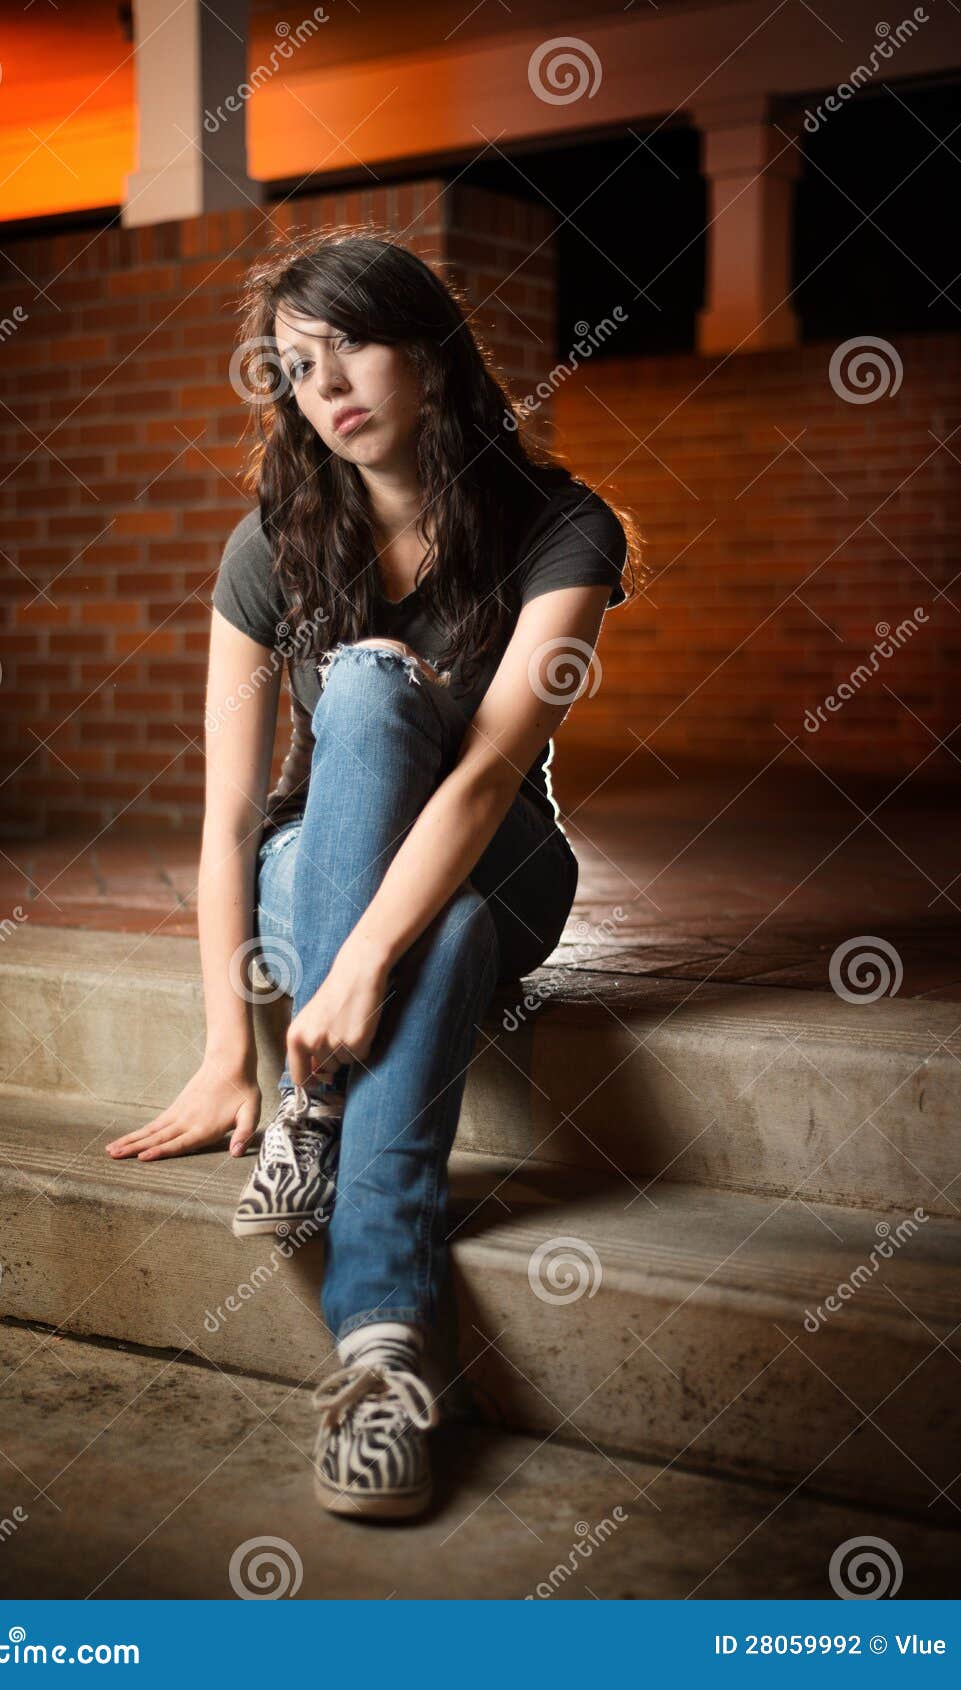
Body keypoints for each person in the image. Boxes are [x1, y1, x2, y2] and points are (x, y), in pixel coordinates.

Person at [106, 226, 638, 1521]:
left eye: (353, 344)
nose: (327, 382)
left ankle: (327, 1118)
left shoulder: (561, 526)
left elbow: (488, 776)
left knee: (383, 695)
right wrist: (230, 1045)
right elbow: (233, 810)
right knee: (433, 923)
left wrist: (346, 969)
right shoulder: (270, 546)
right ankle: (383, 1356)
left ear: (429, 350)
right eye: (295, 364)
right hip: (316, 869)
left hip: (505, 861)